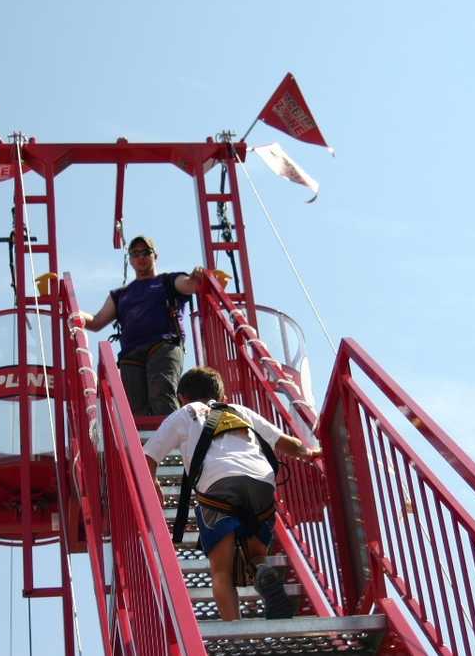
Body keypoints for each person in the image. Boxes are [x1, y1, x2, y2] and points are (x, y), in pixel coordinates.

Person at [142, 367, 322, 621]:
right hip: (261, 482)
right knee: (256, 552)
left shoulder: (185, 413)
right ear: (222, 395)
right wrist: (311, 452)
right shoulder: (239, 410)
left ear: (182, 397)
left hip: (218, 486)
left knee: (221, 570)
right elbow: (284, 443)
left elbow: (147, 456)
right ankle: (263, 571)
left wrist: (154, 483)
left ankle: (234, 632)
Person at [79, 235, 205, 415]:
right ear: (130, 260)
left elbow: (189, 284)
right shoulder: (121, 295)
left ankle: (175, 440)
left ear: (155, 256)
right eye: (135, 253)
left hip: (163, 346)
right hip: (131, 355)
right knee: (135, 408)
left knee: (161, 393)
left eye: (146, 252)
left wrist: (196, 276)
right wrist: (76, 314)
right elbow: (97, 321)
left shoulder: (168, 281)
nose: (141, 257)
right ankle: (146, 443)